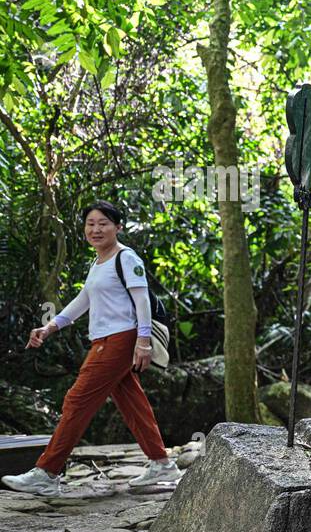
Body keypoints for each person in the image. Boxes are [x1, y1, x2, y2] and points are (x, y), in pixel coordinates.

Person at [3, 203, 180, 496]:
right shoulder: (98, 263)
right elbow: (83, 299)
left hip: (120, 339)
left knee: (77, 400)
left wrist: (144, 342)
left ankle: (46, 473)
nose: (96, 230)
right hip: (106, 339)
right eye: (90, 224)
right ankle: (161, 463)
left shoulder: (126, 258)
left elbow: (142, 302)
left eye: (104, 224)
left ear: (118, 227)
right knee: (131, 402)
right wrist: (50, 327)